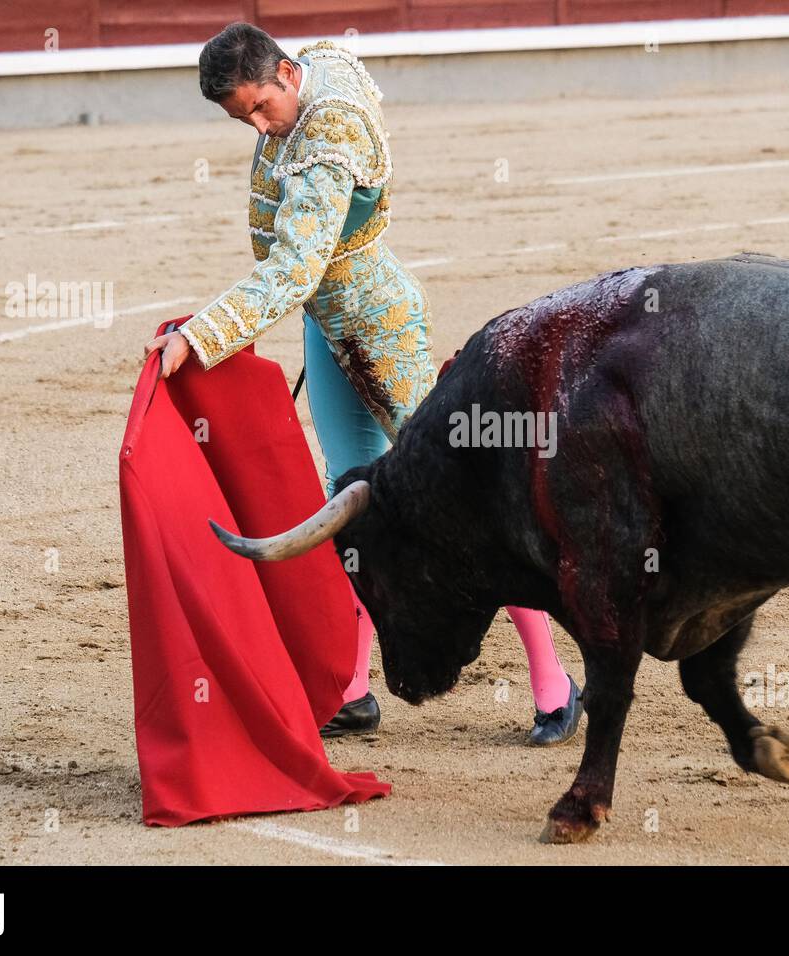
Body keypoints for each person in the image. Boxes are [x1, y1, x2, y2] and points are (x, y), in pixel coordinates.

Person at [143, 23, 582, 745]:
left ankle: (554, 683)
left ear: (287, 74)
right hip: (330, 327)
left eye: (260, 108)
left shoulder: (330, 137)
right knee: (348, 499)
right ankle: (351, 689)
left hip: (381, 332)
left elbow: (294, 270)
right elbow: (332, 58)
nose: (258, 127)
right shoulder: (317, 67)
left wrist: (202, 335)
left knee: (466, 506)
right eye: (242, 119)